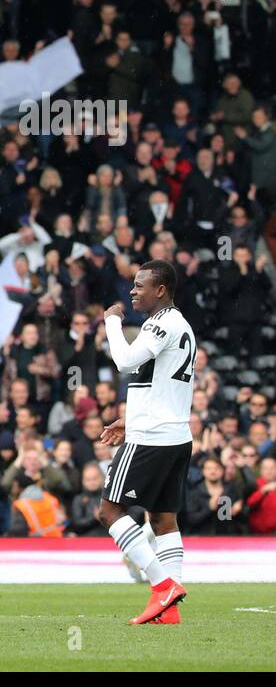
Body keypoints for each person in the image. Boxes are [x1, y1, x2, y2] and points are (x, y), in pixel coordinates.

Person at [96, 258, 193, 625]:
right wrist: (129, 418)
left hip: (150, 438)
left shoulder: (161, 324)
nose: (133, 291)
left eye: (140, 286)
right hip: (175, 435)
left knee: (108, 511)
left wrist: (111, 320)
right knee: (164, 520)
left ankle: (162, 585)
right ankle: (169, 610)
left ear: (161, 290)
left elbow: (123, 360)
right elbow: (162, 383)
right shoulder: (178, 325)